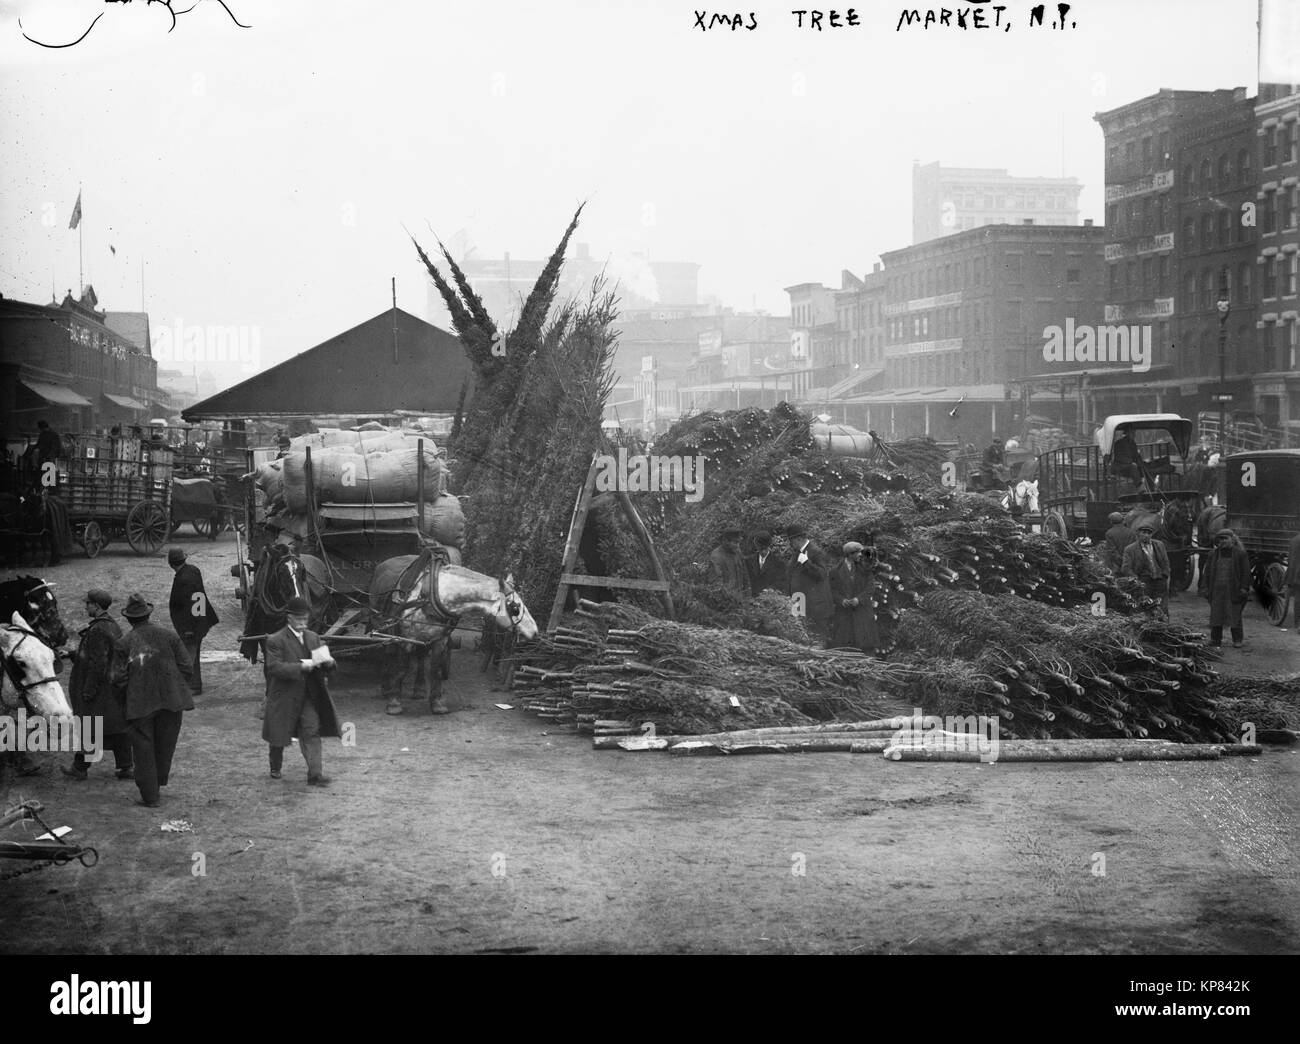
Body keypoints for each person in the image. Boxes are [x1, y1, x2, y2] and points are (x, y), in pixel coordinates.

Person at [112, 593, 194, 808]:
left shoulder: (123, 643)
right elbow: (187, 667)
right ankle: (157, 782)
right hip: (172, 701)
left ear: (129, 619)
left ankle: (151, 796)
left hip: (140, 705)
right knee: (165, 745)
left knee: (143, 748)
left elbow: (118, 679)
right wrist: (173, 686)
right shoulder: (170, 636)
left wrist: (127, 699)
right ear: (148, 614)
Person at [263, 596, 341, 786]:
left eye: (305, 619)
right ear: (288, 618)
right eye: (299, 619)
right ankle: (275, 766)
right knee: (279, 736)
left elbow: (325, 662)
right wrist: (300, 668)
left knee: (311, 730)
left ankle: (315, 774)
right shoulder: (275, 640)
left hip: (308, 695)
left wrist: (330, 663)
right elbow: (273, 668)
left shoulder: (313, 637)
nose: (303, 623)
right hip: (285, 696)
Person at [62, 590, 133, 782]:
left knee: (90, 726)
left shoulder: (99, 629)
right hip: (111, 689)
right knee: (116, 726)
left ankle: (80, 767)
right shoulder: (111, 626)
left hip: (100, 690)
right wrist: (74, 655)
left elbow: (98, 663)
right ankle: (126, 766)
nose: (86, 607)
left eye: (88, 604)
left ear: (97, 606)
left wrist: (88, 690)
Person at [168, 547, 218, 695]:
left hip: (190, 625)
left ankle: (194, 686)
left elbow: (192, 604)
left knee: (190, 656)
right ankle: (194, 684)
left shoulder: (183, 579)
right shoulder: (193, 570)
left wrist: (191, 628)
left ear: (171, 564)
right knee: (192, 653)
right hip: (199, 620)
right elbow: (199, 598)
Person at [1199, 528, 1252, 649]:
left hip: (1233, 590)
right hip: (1217, 591)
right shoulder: (1213, 554)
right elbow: (1207, 572)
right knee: (1216, 615)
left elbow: (1246, 573)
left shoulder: (1240, 553)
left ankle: (1237, 639)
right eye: (1220, 539)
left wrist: (1244, 588)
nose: (1222, 541)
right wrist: (1205, 588)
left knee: (1235, 614)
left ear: (1232, 539)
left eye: (1225, 538)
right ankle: (1215, 639)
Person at [785, 523, 834, 647]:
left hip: (816, 605)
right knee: (805, 637)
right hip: (801, 602)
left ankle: (825, 662)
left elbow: (822, 574)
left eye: (792, 541)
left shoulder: (816, 552)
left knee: (819, 637)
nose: (791, 544)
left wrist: (807, 563)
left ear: (799, 539)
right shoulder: (798, 553)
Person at [829, 542, 880, 653]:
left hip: (862, 613)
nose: (861, 555)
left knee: (866, 648)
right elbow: (832, 590)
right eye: (858, 553)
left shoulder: (865, 569)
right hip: (844, 615)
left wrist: (859, 599)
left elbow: (870, 588)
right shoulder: (835, 571)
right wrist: (841, 600)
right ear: (850, 554)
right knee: (845, 649)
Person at [1120, 523, 1170, 620]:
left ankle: (1164, 626)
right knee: (1146, 607)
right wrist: (1136, 581)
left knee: (1163, 607)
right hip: (1144, 582)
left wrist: (1165, 574)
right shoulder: (1130, 549)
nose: (1146, 535)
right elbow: (1126, 568)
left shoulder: (1159, 545)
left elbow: (1165, 561)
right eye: (1144, 532)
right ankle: (1148, 628)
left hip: (1160, 580)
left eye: (1149, 533)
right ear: (1138, 534)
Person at [745, 530, 787, 596]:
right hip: (751, 599)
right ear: (756, 545)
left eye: (765, 548)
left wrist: (769, 591)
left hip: (770, 599)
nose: (763, 551)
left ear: (769, 546)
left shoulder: (779, 563)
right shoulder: (748, 561)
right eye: (760, 548)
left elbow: (781, 583)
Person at [707, 527, 747, 594]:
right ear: (725, 541)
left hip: (741, 597)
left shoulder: (737, 551)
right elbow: (716, 585)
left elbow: (745, 574)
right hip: (727, 599)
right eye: (735, 542)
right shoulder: (716, 557)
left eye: (739, 543)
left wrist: (748, 595)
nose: (738, 546)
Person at [1287, 530, 1300, 634]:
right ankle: (1298, 624)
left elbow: (1290, 558)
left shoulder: (1294, 539)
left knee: (1298, 598)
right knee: (1298, 599)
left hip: (1296, 573)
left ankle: (1298, 623)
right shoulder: (1297, 540)